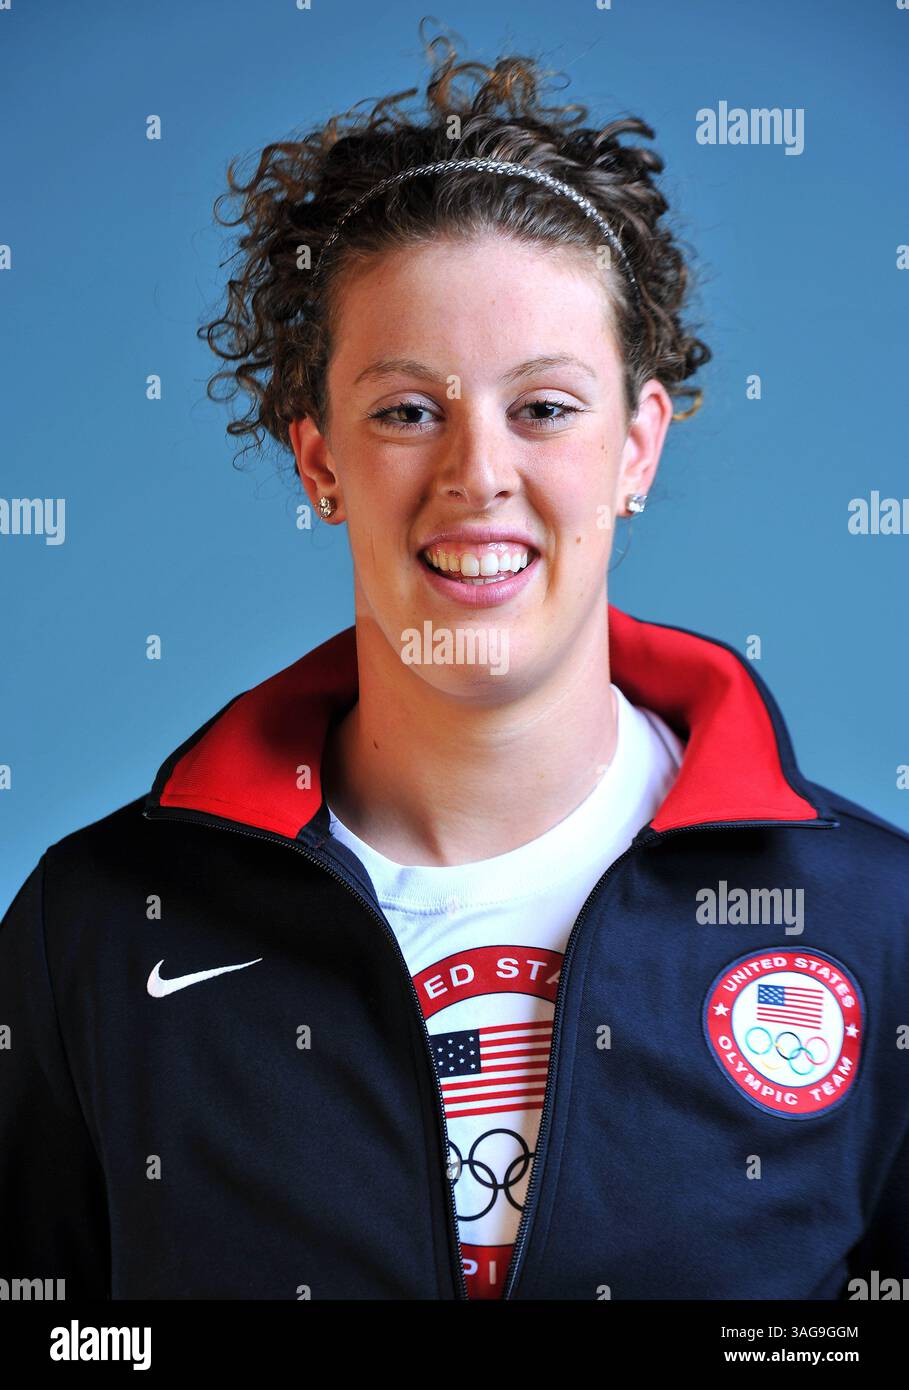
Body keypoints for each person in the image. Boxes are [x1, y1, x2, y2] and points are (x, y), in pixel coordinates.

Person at [2, 34, 908, 1302]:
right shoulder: (92, 929)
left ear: (637, 448)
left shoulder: (879, 925)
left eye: (544, 407)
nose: (477, 474)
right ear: (318, 460)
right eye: (407, 410)